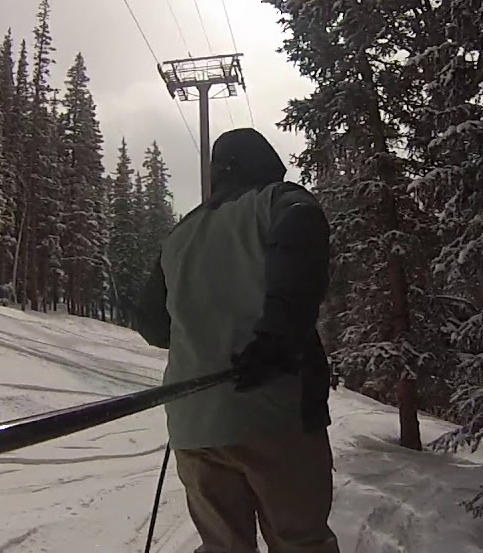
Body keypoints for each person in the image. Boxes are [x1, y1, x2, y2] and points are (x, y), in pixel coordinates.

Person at [134, 128, 339, 553]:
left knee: (223, 547)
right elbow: (301, 239)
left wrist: (204, 330)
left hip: (194, 423)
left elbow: (152, 324)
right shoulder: (280, 201)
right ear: (266, 166)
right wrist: (277, 338)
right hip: (275, 411)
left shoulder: (181, 233)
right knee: (301, 542)